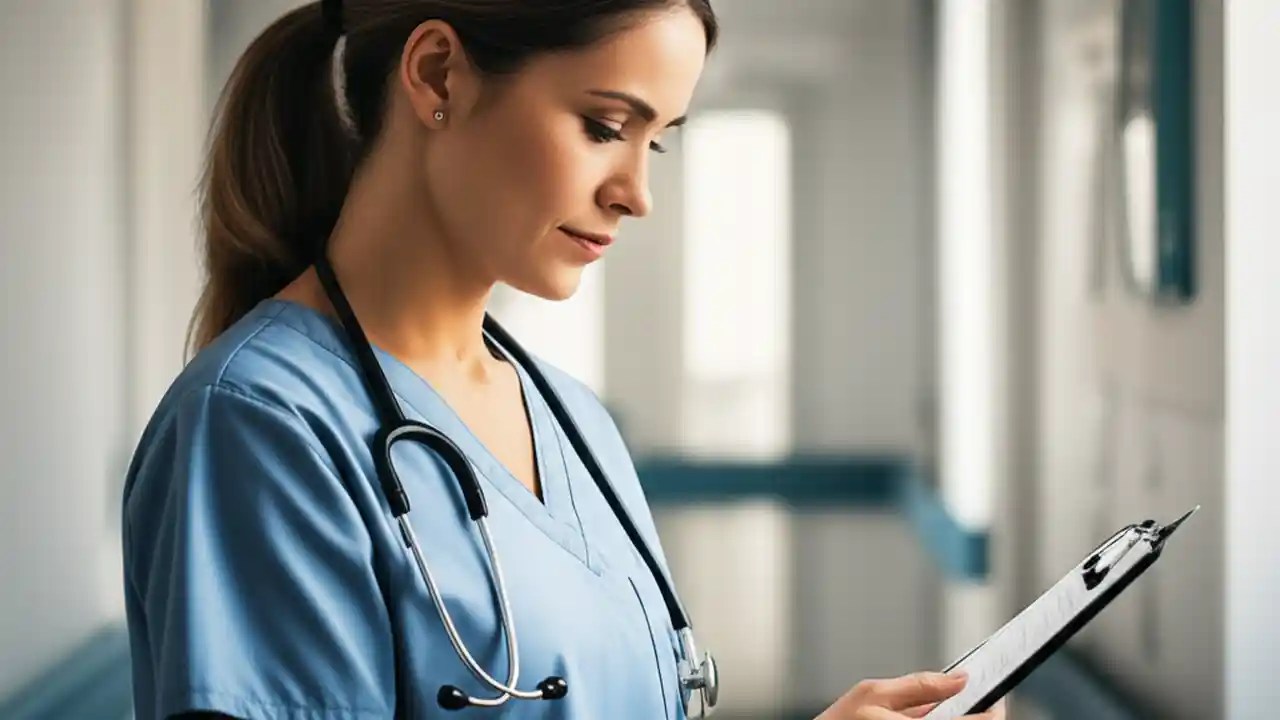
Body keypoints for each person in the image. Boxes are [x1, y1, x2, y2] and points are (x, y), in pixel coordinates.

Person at [119, 1, 1007, 718]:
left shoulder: (573, 422)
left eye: (653, 140)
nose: (637, 192)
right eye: (602, 124)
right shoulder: (262, 427)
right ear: (438, 75)